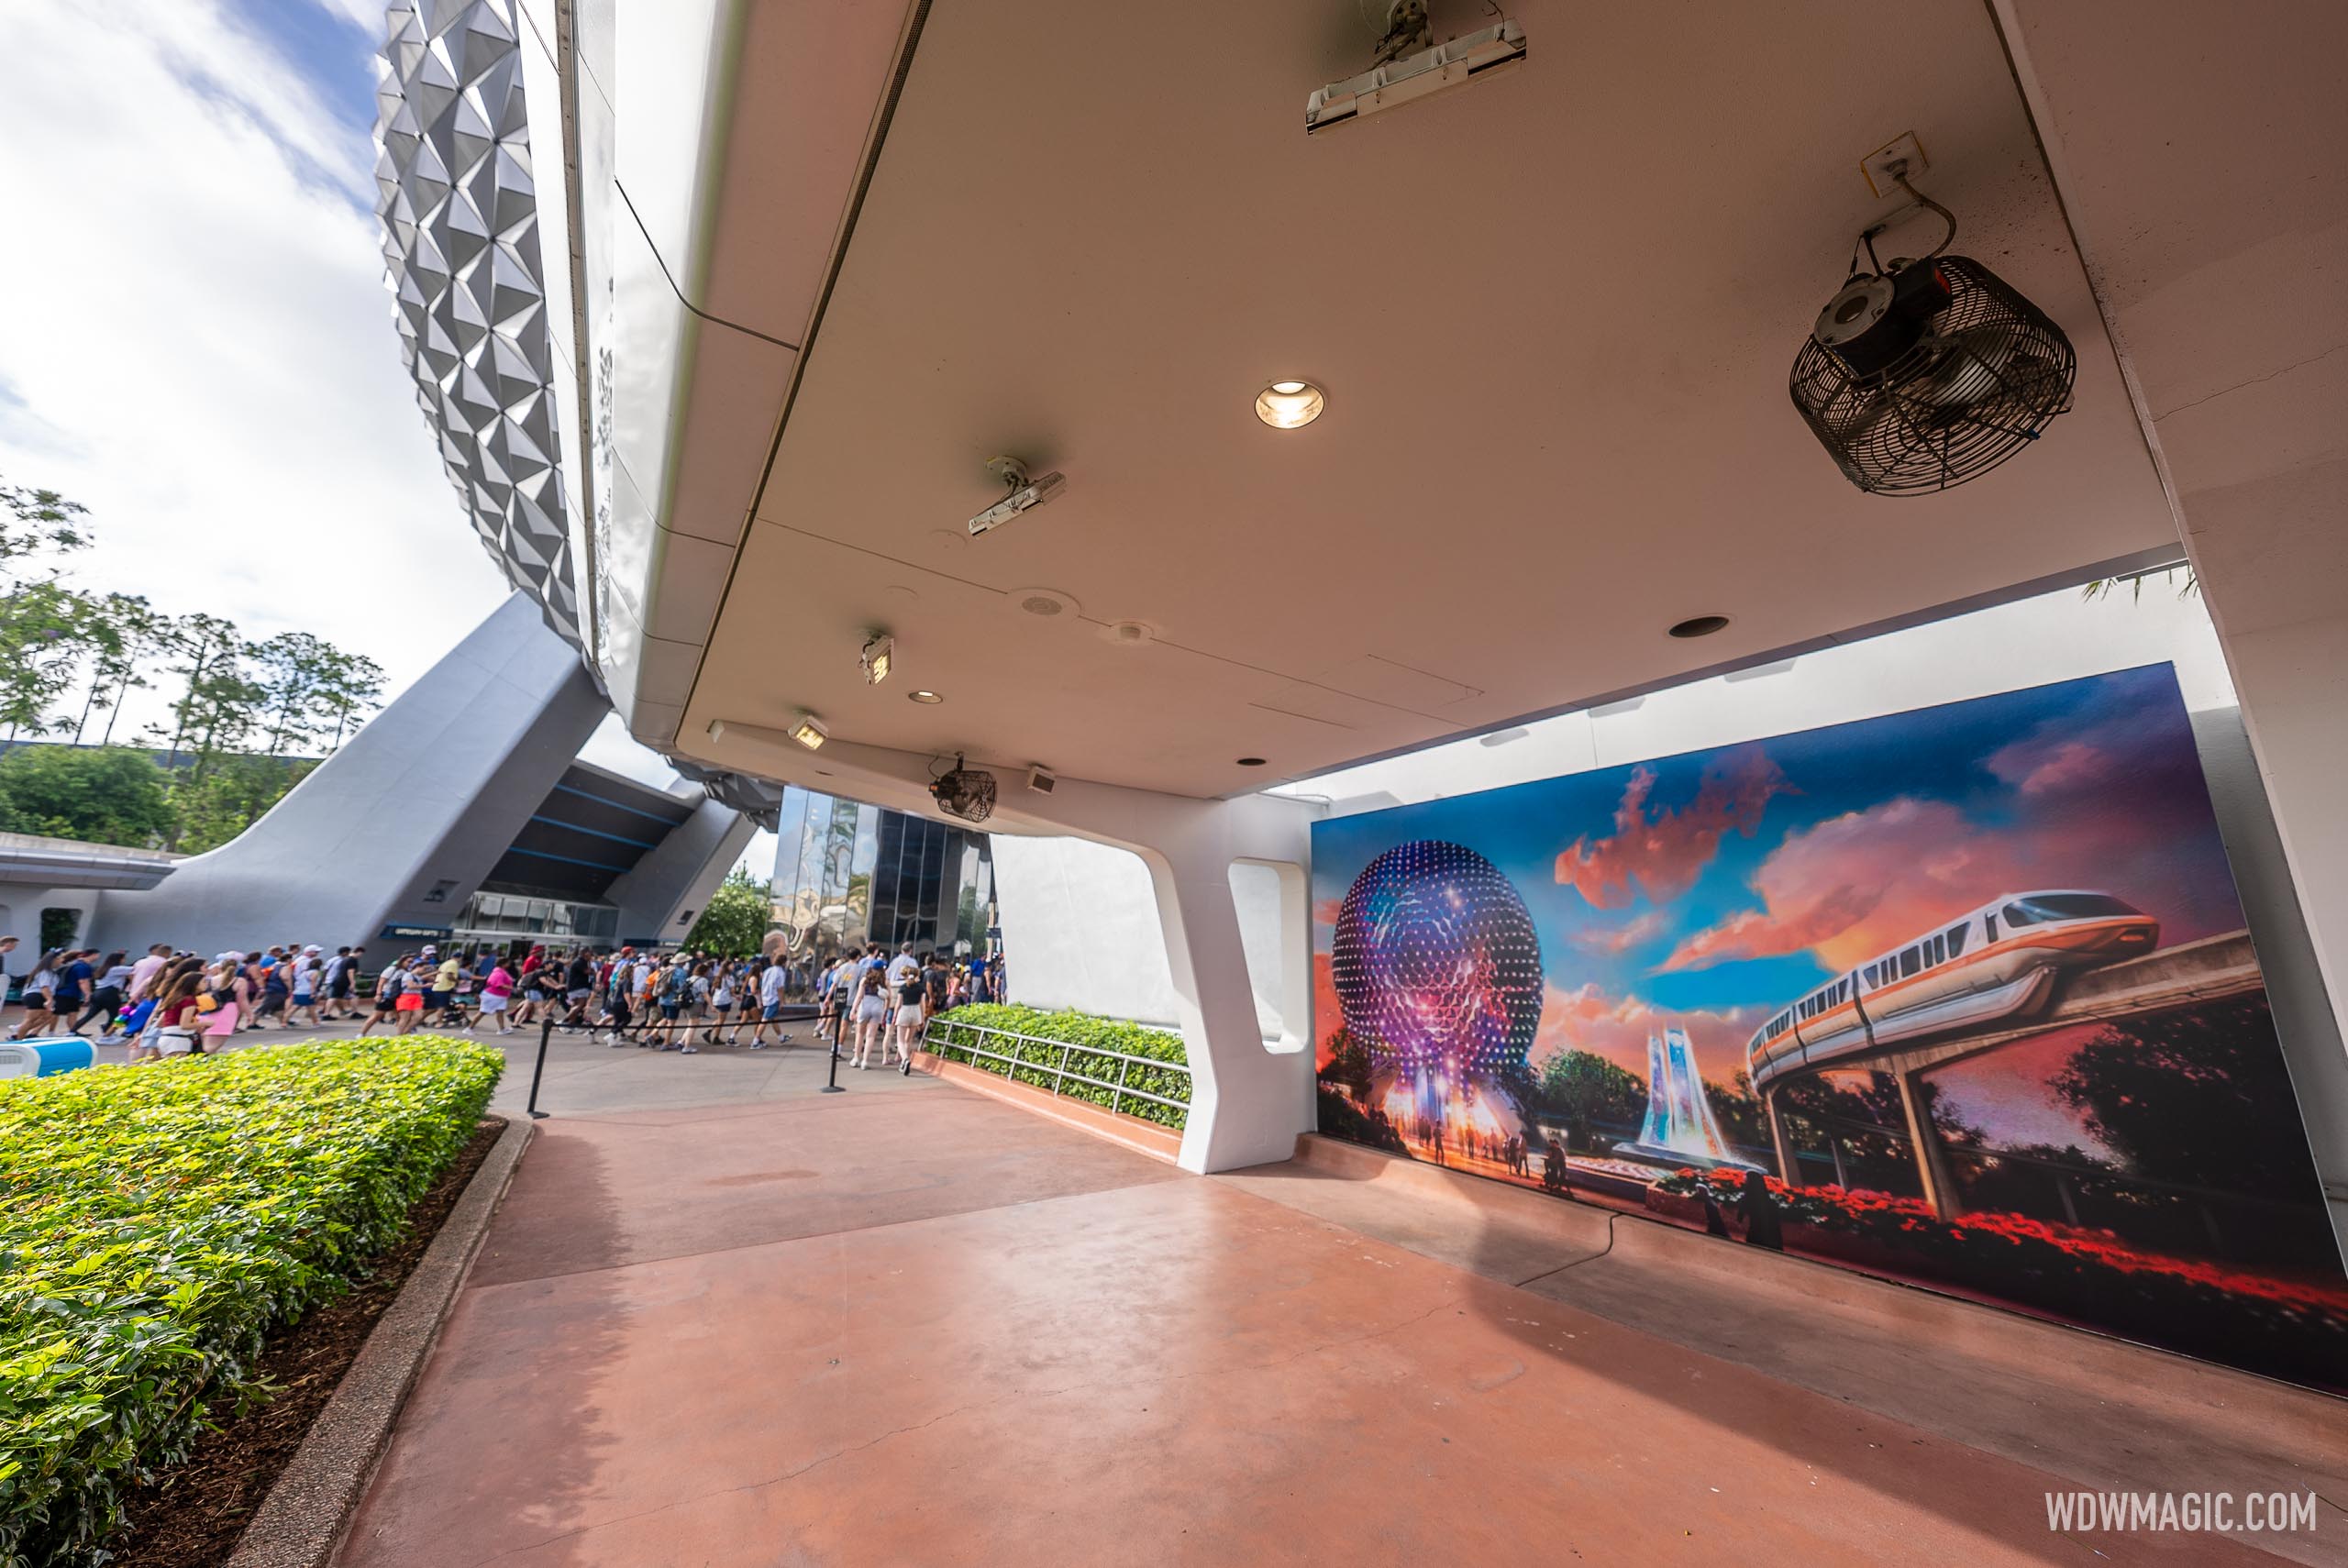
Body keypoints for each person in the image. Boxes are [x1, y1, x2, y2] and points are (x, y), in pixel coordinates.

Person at [71, 950, 133, 1037]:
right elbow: (135, 969)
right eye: (123, 959)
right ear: (118, 960)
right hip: (110, 993)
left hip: (98, 993)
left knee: (89, 1015)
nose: (124, 961)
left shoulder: (102, 969)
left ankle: (72, 1031)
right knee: (116, 1015)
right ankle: (108, 1034)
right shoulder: (116, 969)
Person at [10, 950, 61, 1041]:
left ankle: (19, 1031)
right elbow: (44, 987)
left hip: (40, 996)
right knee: (30, 1020)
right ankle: (18, 1039)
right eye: (59, 959)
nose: (61, 961)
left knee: (48, 1016)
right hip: (37, 996)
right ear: (53, 960)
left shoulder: (50, 972)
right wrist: (49, 1000)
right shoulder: (45, 972)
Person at [890, 956, 925, 1074]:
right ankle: (905, 1060)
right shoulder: (921, 988)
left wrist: (894, 1017)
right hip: (916, 1012)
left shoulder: (904, 987)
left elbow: (898, 1004)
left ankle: (905, 1059)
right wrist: (923, 1018)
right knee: (908, 1040)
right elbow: (922, 1004)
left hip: (904, 1011)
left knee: (900, 1040)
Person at [749, 955, 791, 1049]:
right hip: (773, 998)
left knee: (773, 1018)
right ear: (784, 962)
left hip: (766, 997)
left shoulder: (768, 970)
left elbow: (763, 984)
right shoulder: (780, 972)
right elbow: (780, 988)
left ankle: (781, 1037)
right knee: (765, 1020)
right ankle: (755, 1042)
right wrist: (781, 1001)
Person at [481, 955, 515, 1034]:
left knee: (500, 1012)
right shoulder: (498, 972)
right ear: (503, 964)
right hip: (494, 995)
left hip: (501, 996)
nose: (509, 964)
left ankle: (502, 1029)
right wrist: (512, 988)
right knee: (483, 1012)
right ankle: (470, 1028)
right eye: (508, 963)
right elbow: (499, 984)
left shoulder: (502, 971)